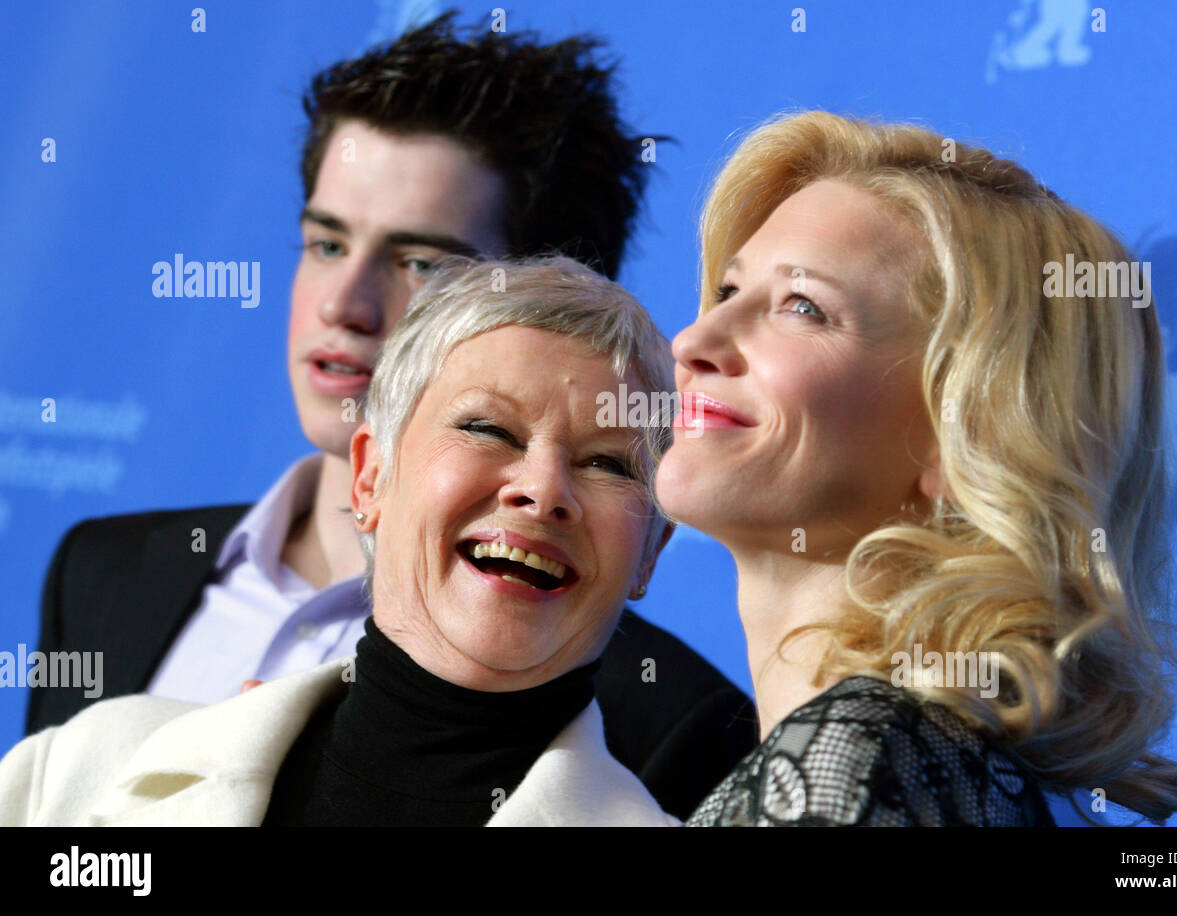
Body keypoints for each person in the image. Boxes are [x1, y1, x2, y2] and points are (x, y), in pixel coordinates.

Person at [25, 12, 756, 821]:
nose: (345, 304)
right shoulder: (106, 581)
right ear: (372, 470)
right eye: (328, 243)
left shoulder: (678, 722)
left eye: (420, 264)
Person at [1, 256, 683, 827]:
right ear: (369, 479)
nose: (543, 489)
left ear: (651, 549)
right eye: (488, 430)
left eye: (607, 464)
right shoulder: (75, 773)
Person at [655, 111, 1177, 826]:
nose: (695, 338)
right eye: (728, 292)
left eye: (803, 306)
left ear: (967, 432)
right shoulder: (897, 756)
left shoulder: (855, 764)